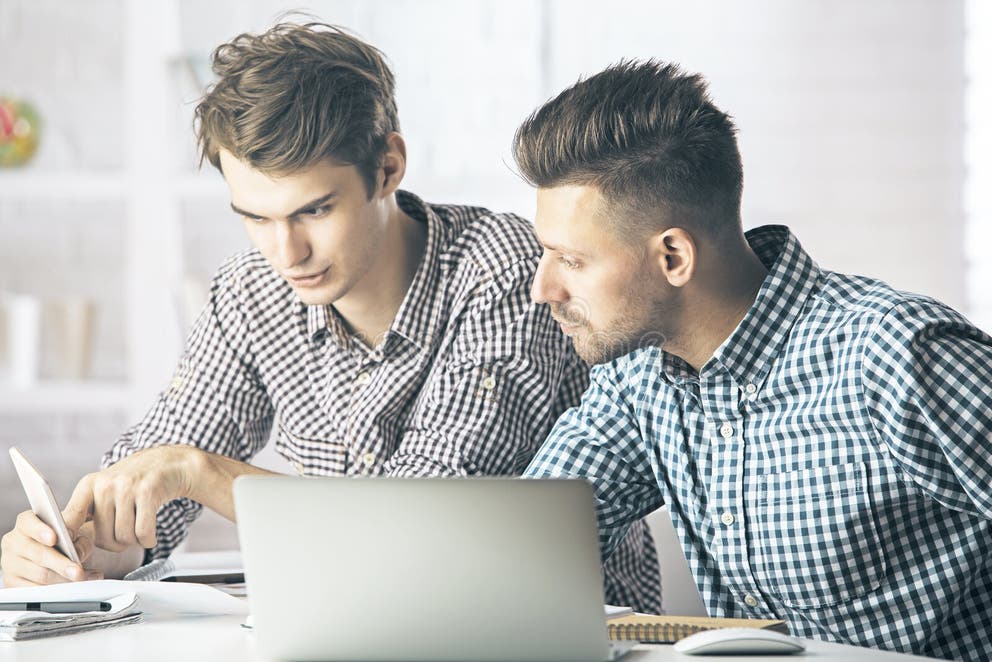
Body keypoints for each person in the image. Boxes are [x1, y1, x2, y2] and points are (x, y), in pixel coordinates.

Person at [0, 23, 660, 614]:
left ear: (388, 168)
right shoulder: (252, 293)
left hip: (545, 635)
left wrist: (202, 473)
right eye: (256, 218)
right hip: (358, 626)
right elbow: (157, 468)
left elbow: (424, 524)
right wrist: (93, 549)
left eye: (314, 210)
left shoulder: (506, 275)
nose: (286, 254)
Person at [515, 59, 992, 660]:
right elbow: (523, 552)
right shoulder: (638, 378)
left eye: (572, 261)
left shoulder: (894, 356)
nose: (543, 289)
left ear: (673, 257)